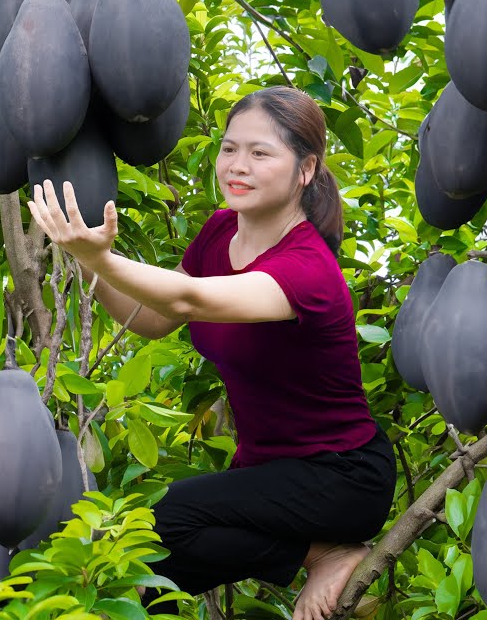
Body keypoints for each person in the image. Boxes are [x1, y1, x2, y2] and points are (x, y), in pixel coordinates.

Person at [26, 86, 396, 620]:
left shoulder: (309, 269)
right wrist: (83, 259)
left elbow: (187, 297)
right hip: (266, 475)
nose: (237, 166)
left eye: (260, 153)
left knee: (171, 514)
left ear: (306, 170)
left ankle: (329, 552)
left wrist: (103, 258)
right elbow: (152, 319)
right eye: (229, 148)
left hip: (339, 477)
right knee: (148, 576)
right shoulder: (220, 232)